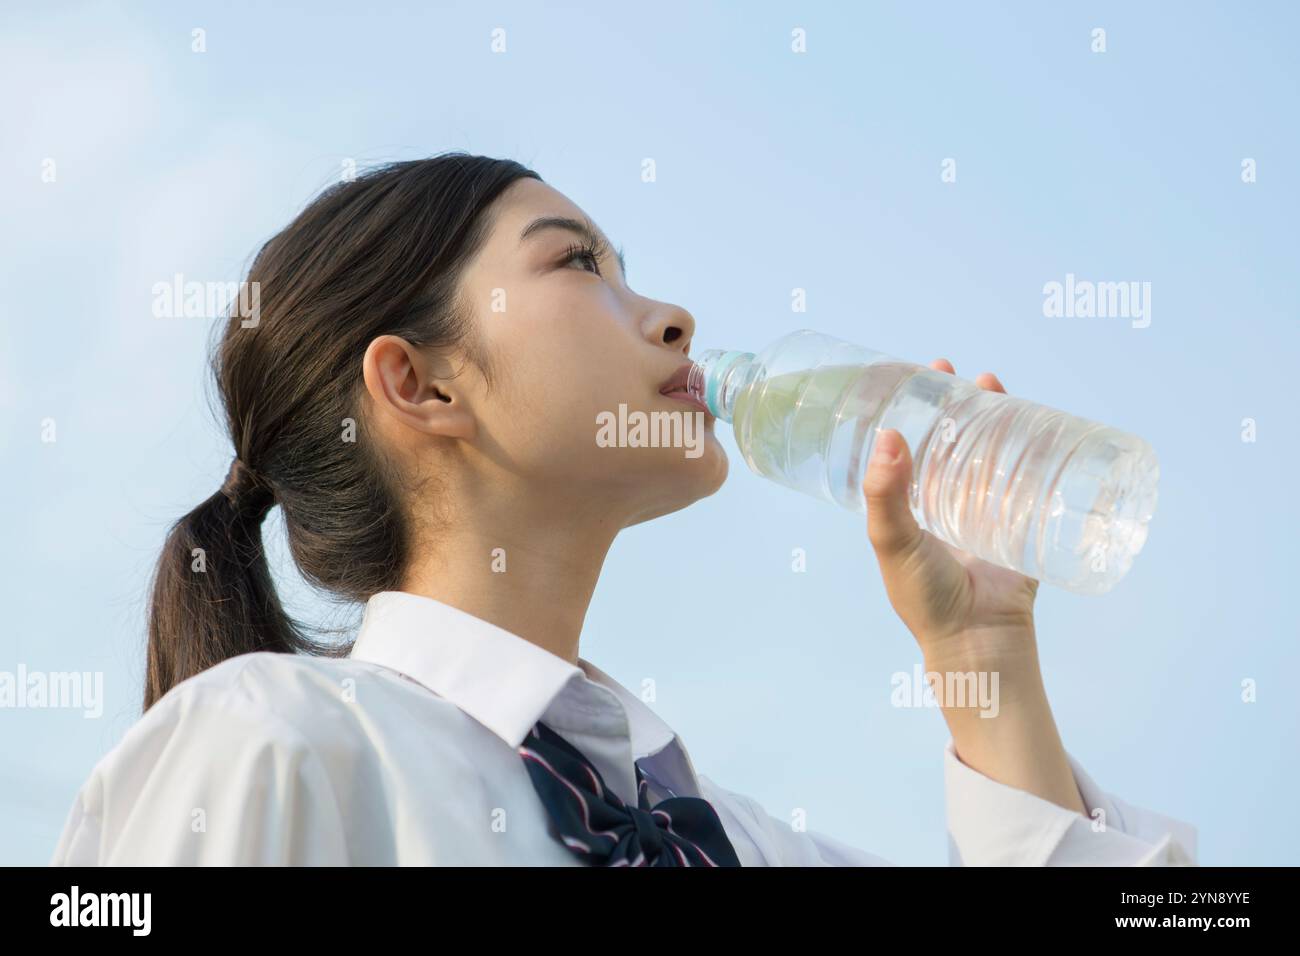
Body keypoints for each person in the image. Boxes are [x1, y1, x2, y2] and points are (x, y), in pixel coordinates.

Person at [50, 153, 1196, 866]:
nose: (672, 316)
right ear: (421, 384)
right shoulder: (279, 741)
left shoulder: (742, 843)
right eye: (578, 264)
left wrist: (980, 651)